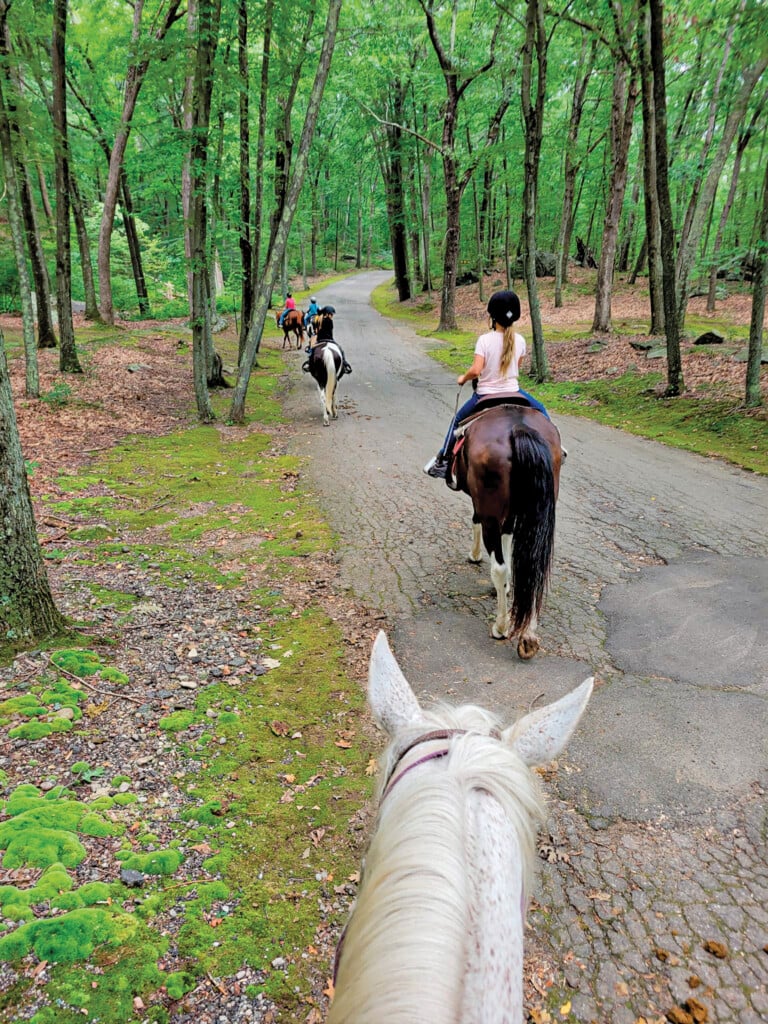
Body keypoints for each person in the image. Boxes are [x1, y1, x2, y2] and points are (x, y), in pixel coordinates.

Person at [423, 289, 558, 479]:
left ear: (492, 317)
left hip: (486, 394)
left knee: (457, 421)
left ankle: (444, 460)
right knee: (542, 410)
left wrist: (463, 378)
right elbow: (516, 368)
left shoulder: (484, 340)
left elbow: (476, 371)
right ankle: (554, 448)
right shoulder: (520, 340)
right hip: (513, 391)